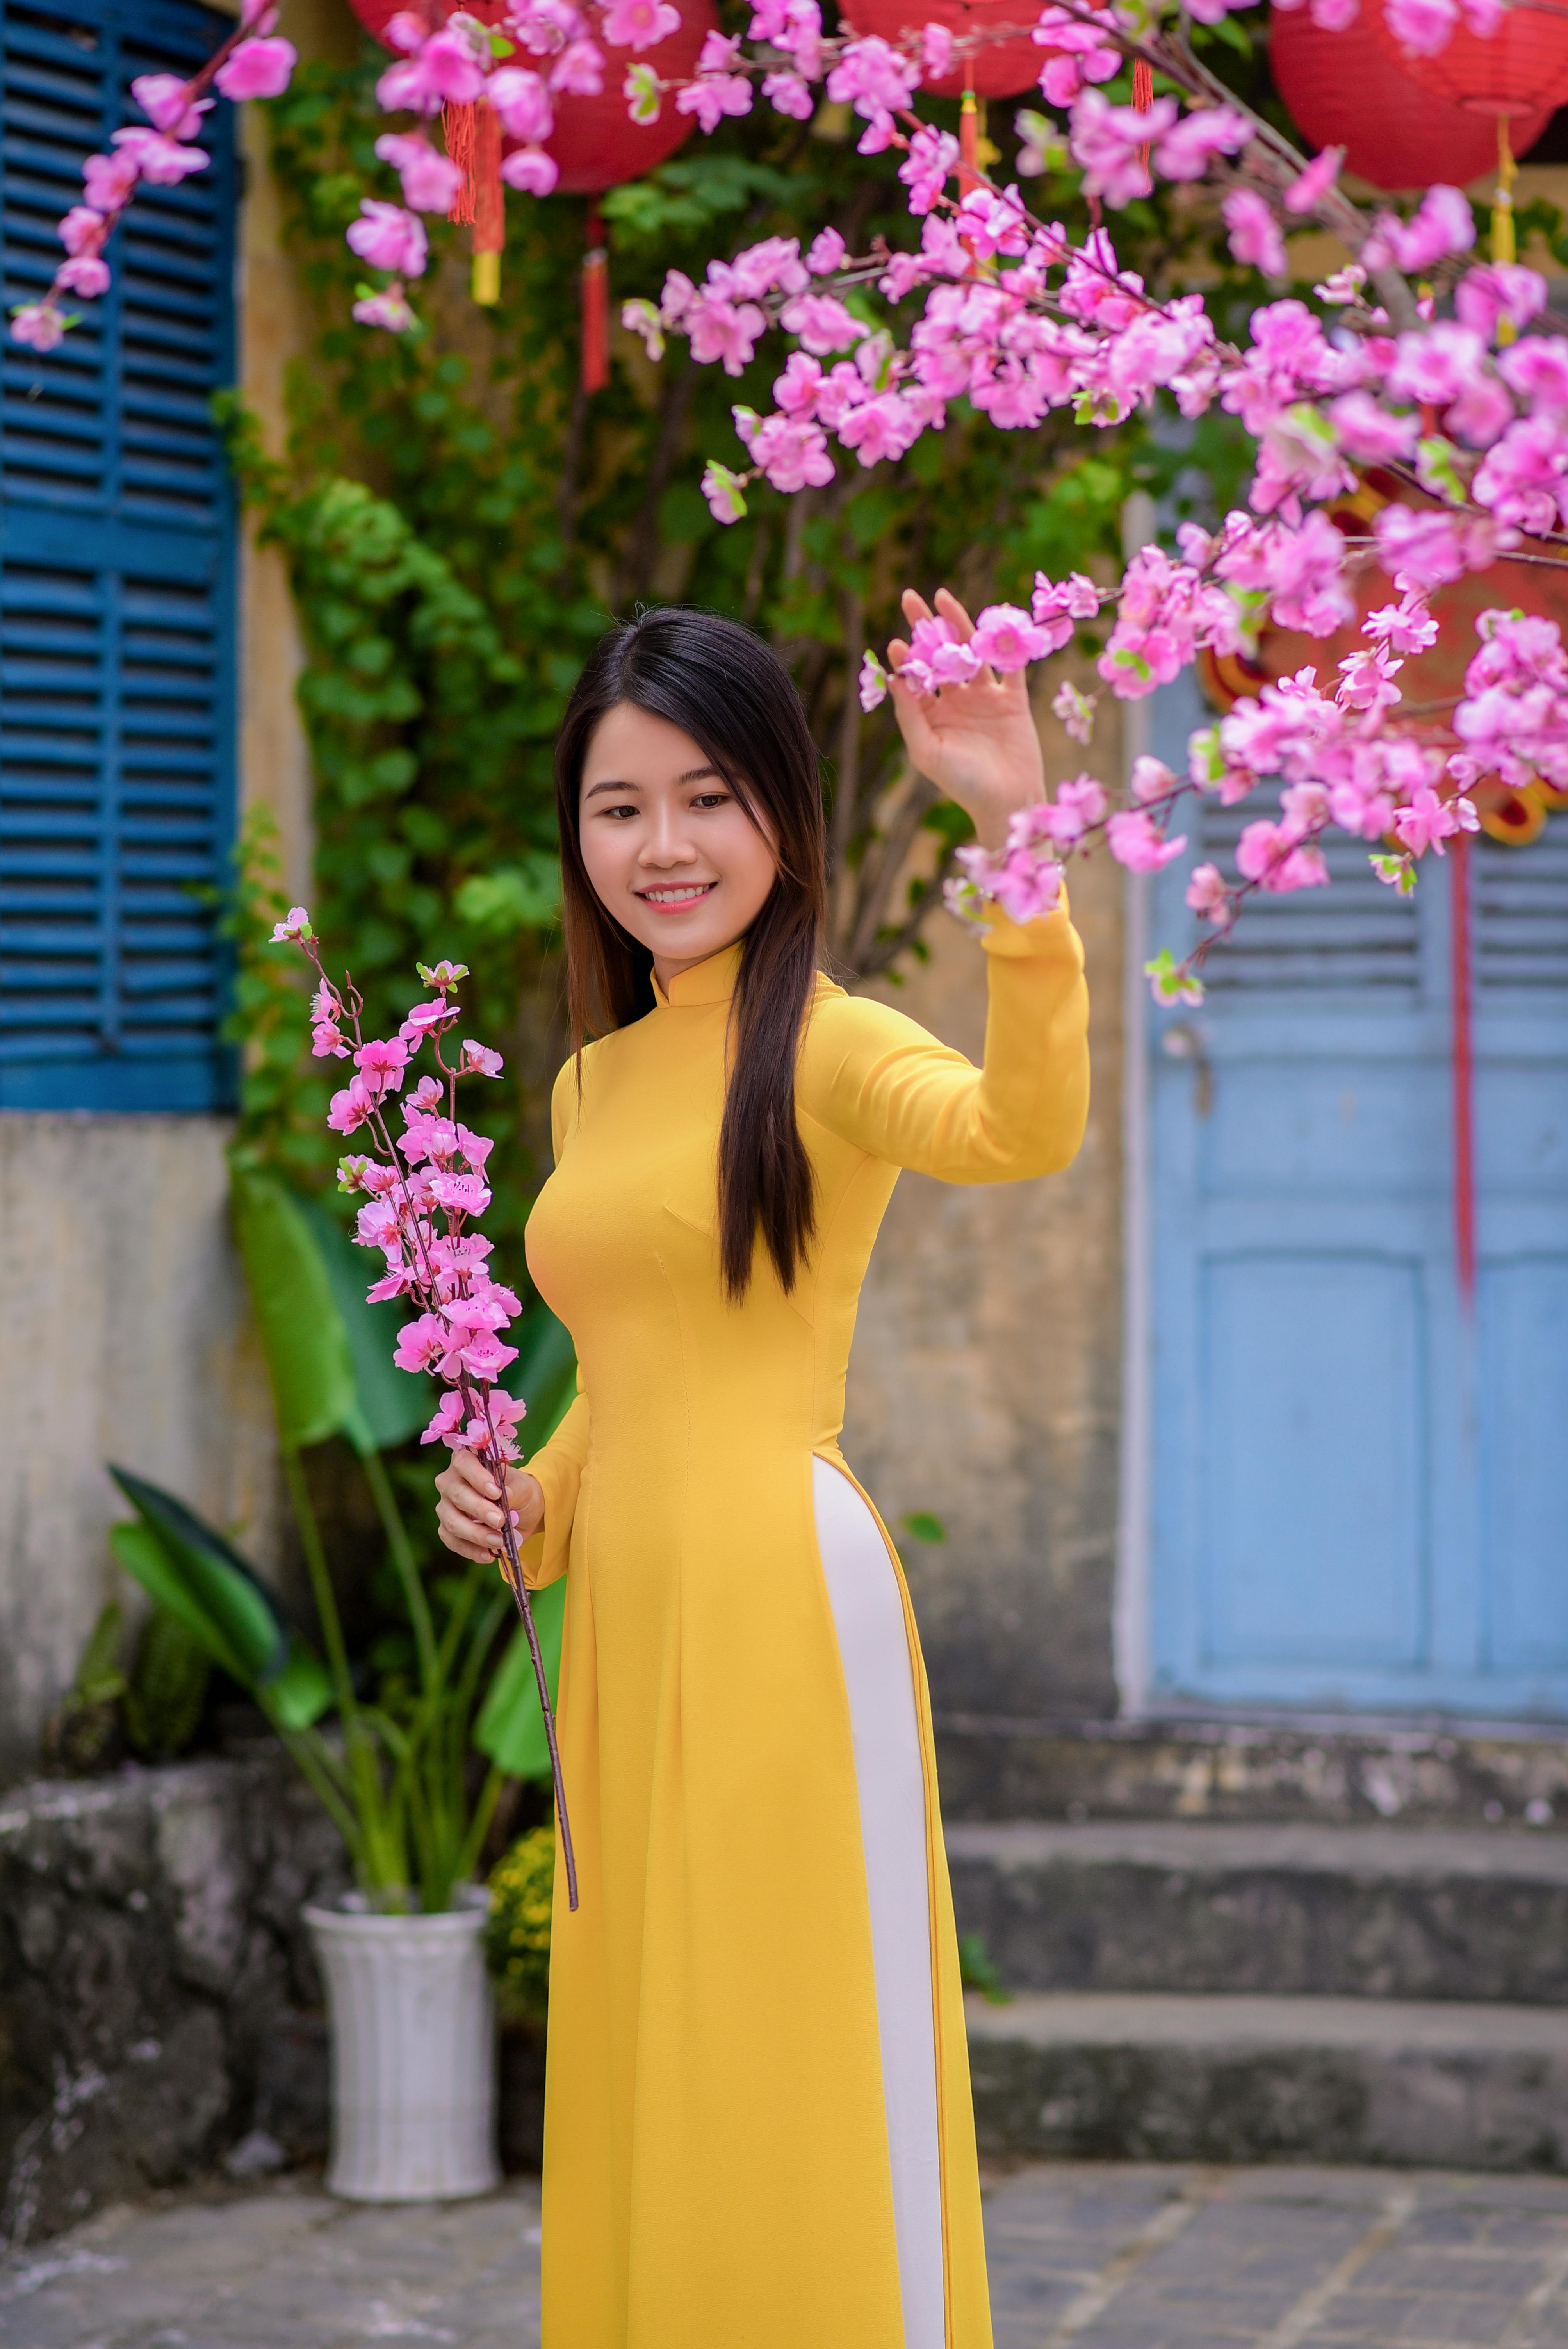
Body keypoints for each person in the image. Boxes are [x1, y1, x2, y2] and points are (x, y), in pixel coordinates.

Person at [435, 588, 1090, 2349]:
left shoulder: (828, 1039)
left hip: (782, 1599)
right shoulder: (590, 1086)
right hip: (624, 1624)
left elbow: (1021, 1129)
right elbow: (616, 1376)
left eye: (708, 797)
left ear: (782, 814)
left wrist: (1013, 826)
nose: (663, 845)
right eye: (620, 805)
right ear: (578, 835)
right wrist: (529, 1497)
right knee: (652, 2045)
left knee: (790, 2044)